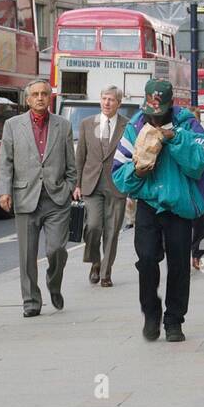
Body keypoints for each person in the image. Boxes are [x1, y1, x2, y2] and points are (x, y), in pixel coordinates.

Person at [112, 79, 204, 342]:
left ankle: (174, 320)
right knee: (146, 258)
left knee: (179, 264)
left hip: (179, 204)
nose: (154, 121)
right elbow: (118, 173)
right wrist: (136, 171)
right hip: (148, 203)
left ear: (170, 107)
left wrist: (174, 139)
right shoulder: (135, 127)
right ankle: (151, 311)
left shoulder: (187, 124)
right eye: (150, 114)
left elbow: (199, 163)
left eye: (159, 115)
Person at [0, 78, 78, 317]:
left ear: (50, 97)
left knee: (57, 251)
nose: (41, 97)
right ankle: (31, 301)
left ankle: (54, 285)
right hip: (25, 197)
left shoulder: (63, 125)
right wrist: (4, 191)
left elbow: (72, 166)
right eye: (36, 94)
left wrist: (68, 187)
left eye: (45, 93)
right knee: (27, 255)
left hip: (56, 199)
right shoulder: (12, 125)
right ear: (28, 99)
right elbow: (5, 161)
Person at [74, 85, 129, 287]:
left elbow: (132, 157)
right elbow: (80, 156)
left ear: (118, 103)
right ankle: (95, 262)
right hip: (91, 184)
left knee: (112, 231)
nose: (107, 103)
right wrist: (77, 184)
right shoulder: (88, 123)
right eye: (104, 98)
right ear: (100, 100)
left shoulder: (128, 126)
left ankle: (106, 272)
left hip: (117, 184)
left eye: (111, 100)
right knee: (94, 226)